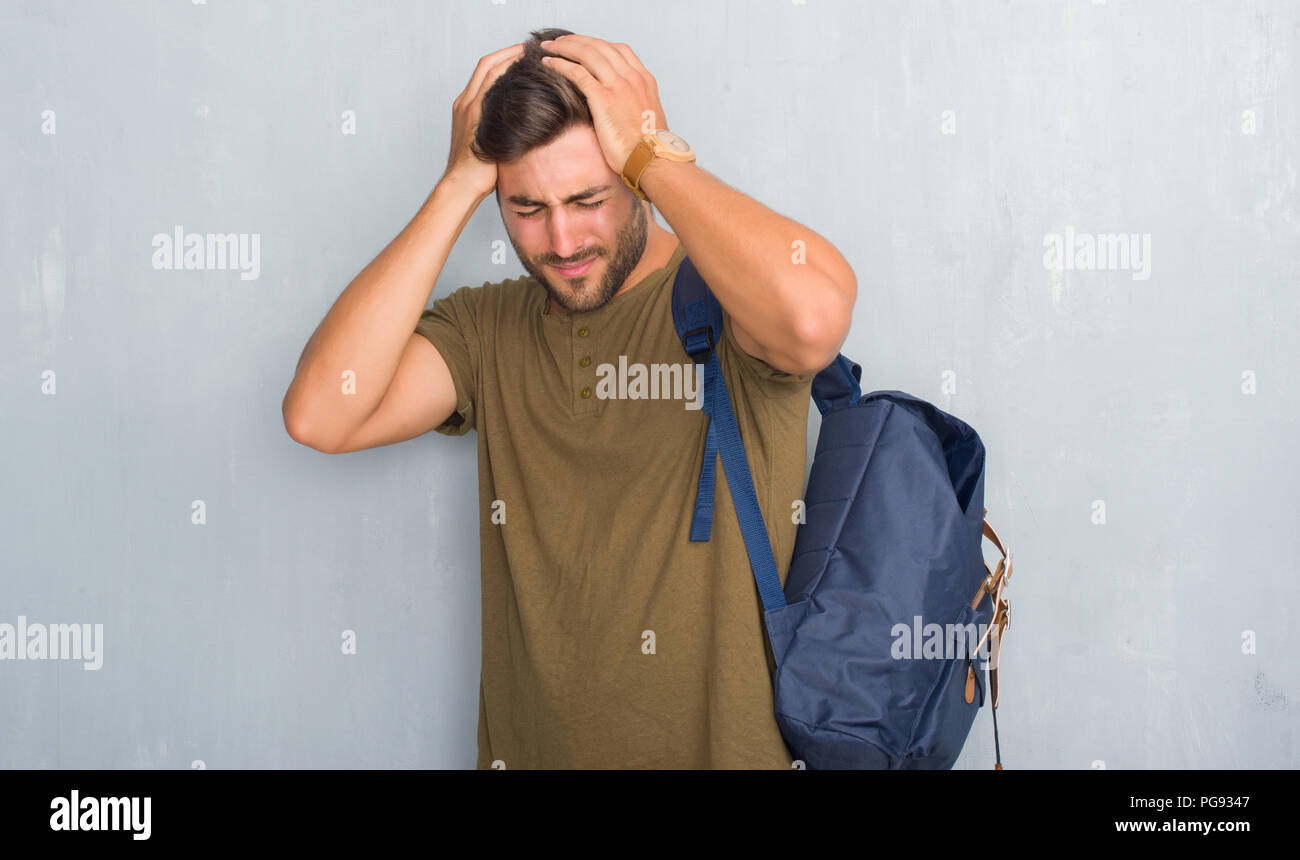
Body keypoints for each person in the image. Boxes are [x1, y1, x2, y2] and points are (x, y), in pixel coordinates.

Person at [282, 28, 857, 768]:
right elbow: (320, 413)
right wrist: (458, 183)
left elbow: (812, 320)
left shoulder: (728, 303)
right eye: (526, 208)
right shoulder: (487, 330)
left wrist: (655, 153)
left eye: (588, 198)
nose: (561, 240)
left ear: (633, 179)